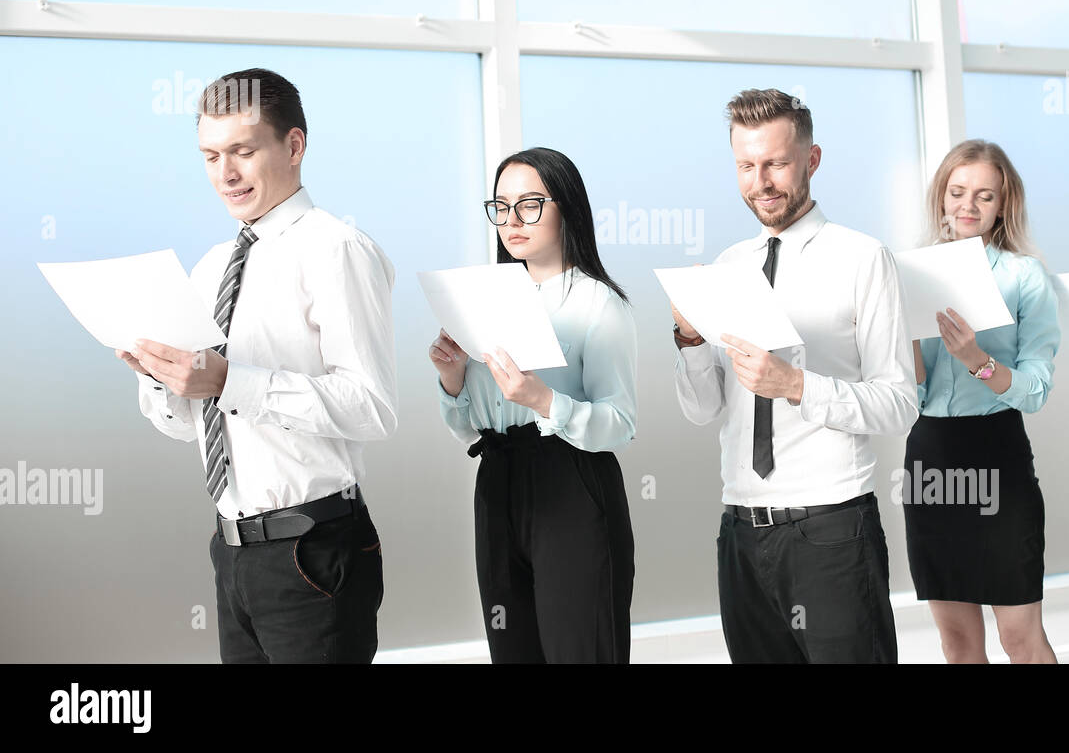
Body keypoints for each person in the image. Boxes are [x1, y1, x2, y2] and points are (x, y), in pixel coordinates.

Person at [117, 68, 396, 663]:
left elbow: (371, 408)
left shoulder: (336, 249)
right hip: (232, 550)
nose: (226, 174)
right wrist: (160, 379)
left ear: (294, 146)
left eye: (243, 151)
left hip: (313, 552)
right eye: (211, 155)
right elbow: (185, 425)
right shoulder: (212, 265)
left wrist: (230, 381)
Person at [672, 88, 916, 663]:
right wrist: (687, 340)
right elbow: (704, 410)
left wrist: (798, 386)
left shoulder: (864, 258)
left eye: (777, 163)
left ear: (812, 159)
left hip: (831, 532)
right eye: (746, 166)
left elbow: (899, 402)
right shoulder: (729, 267)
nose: (762, 182)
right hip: (740, 533)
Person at [430, 147, 636, 663]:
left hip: (572, 479)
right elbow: (469, 428)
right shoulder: (487, 300)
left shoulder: (598, 304)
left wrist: (545, 401)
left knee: (580, 647)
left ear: (565, 206)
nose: (511, 221)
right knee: (512, 648)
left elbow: (622, 423)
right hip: (497, 479)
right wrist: (453, 381)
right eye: (500, 206)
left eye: (529, 205)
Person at [904, 140, 1059, 663]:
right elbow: (914, 393)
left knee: (1020, 637)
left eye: (984, 196)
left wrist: (979, 361)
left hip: (997, 452)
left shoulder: (1025, 276)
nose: (968, 206)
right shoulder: (914, 274)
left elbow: (1035, 390)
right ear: (942, 199)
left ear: (1002, 205)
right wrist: (903, 344)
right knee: (957, 642)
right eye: (958, 192)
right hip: (930, 458)